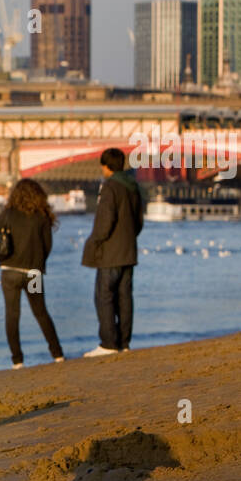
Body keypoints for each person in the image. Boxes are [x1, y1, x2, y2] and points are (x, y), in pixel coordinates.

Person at [0, 178, 65, 367]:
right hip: (33, 272)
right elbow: (47, 246)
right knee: (41, 312)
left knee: (12, 315)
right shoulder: (42, 216)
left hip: (10, 271)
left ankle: (17, 360)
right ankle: (57, 354)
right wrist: (38, 263)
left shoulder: (8, 214)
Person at [82, 148, 144, 356]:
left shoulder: (110, 187)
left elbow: (104, 221)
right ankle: (124, 342)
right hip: (129, 251)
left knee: (104, 297)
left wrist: (95, 241)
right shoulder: (132, 186)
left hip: (110, 253)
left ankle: (108, 343)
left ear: (106, 166)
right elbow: (139, 221)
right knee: (125, 298)